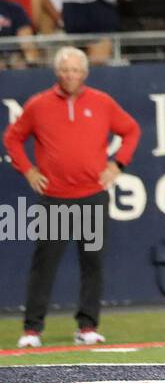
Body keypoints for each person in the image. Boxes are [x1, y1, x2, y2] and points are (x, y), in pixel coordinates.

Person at [5, 47, 141, 347]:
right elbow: (12, 138)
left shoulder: (102, 102)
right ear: (57, 72)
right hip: (55, 199)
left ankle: (87, 327)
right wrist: (27, 170)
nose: (70, 75)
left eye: (75, 70)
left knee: (92, 264)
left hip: (92, 196)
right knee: (44, 266)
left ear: (85, 73)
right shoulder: (38, 105)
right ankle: (31, 330)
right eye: (65, 70)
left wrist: (118, 164)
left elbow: (131, 130)